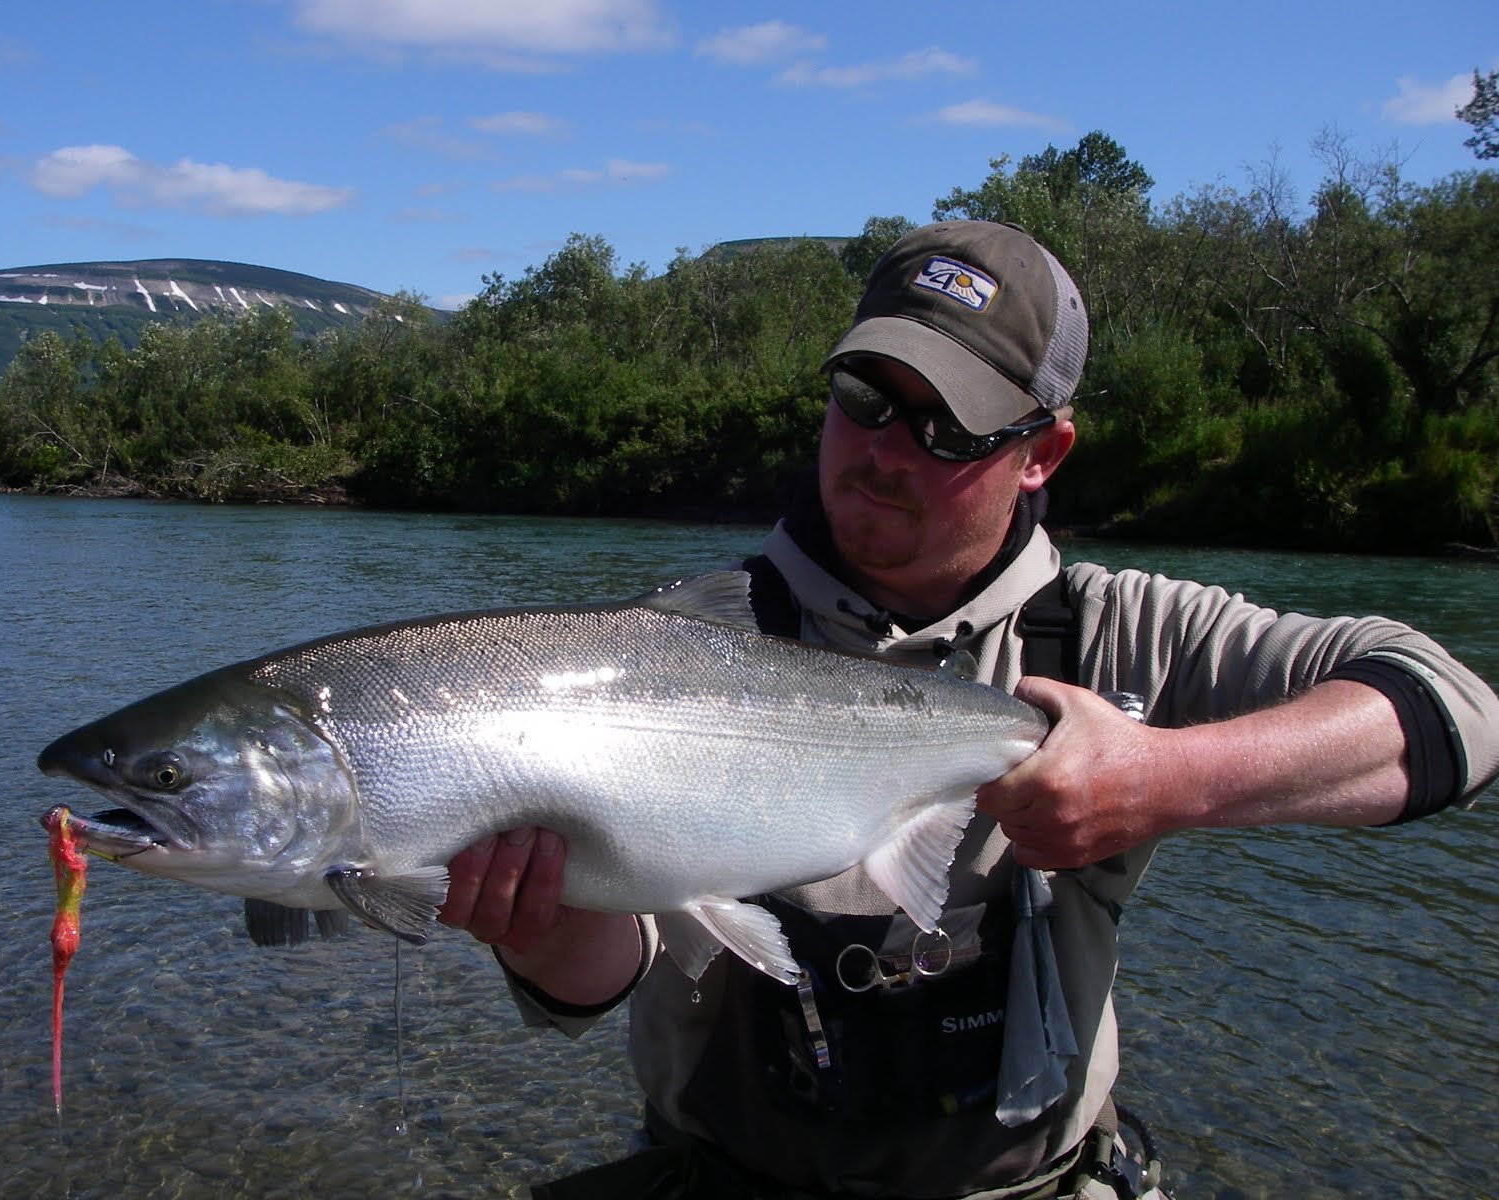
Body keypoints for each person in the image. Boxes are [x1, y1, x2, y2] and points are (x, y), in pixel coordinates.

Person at [435, 221, 1499, 1199]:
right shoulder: (669, 655)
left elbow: (1453, 709)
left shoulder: (1123, 634)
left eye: (950, 428)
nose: (887, 452)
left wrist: (1164, 781)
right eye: (866, 399)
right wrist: (535, 930)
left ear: (1042, 452)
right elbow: (599, 982)